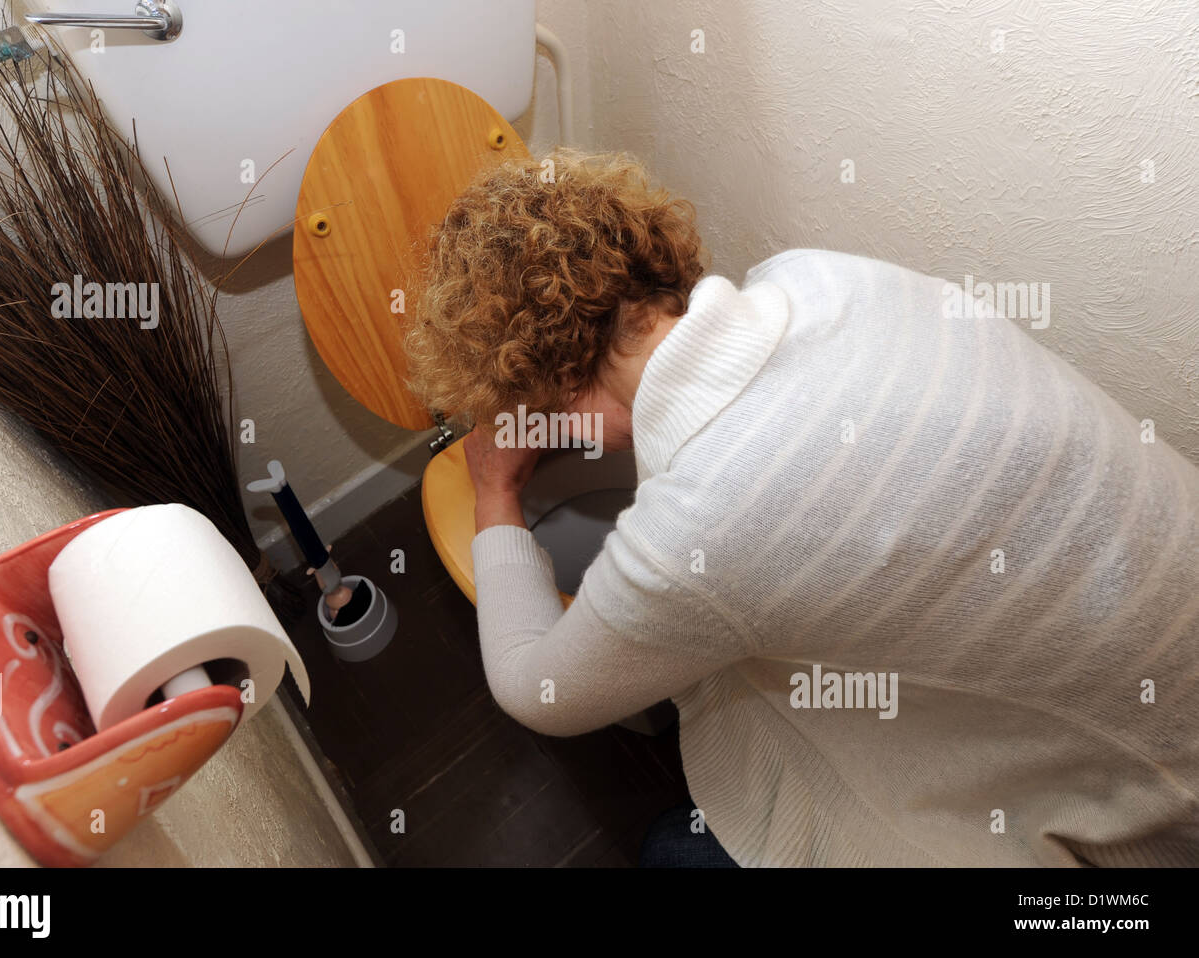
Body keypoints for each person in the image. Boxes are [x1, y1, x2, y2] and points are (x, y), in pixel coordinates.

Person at [403, 148, 1199, 867]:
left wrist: (495, 489)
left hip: (1153, 820)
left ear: (549, 397)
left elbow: (537, 691)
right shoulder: (817, 276)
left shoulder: (695, 533)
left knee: (669, 855)